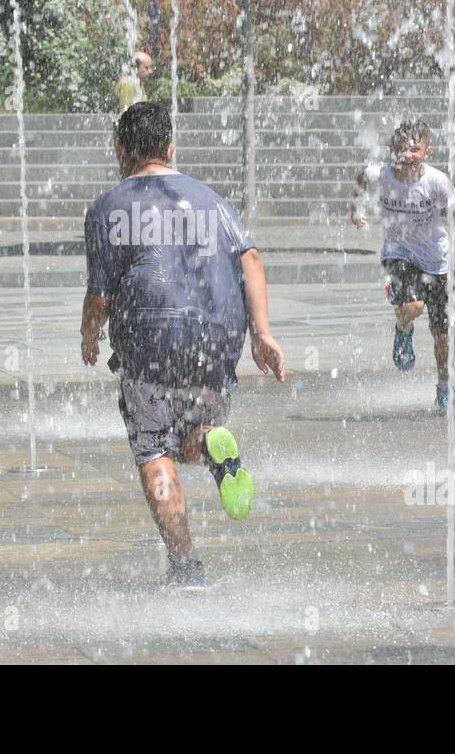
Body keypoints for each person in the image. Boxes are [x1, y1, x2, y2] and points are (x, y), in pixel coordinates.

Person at [80, 101, 285, 589]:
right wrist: (263, 334)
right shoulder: (213, 200)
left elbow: (100, 294)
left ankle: (185, 566)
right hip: (216, 338)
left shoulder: (108, 207)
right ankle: (213, 447)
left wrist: (90, 336)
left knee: (154, 451)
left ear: (120, 151)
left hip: (149, 342)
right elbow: (250, 259)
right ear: (172, 149)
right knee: (193, 435)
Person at [350, 120, 455, 415]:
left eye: (414, 149)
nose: (407, 154)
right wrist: (355, 209)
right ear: (391, 150)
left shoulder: (436, 182)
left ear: (427, 151)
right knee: (415, 304)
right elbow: (360, 180)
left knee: (442, 333)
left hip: (436, 260)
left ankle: (446, 389)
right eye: (401, 148)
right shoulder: (380, 175)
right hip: (398, 253)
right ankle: (403, 327)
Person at [113, 51, 154, 116]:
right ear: (135, 68)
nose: (150, 71)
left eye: (151, 67)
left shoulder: (138, 84)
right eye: (146, 68)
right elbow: (124, 114)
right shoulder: (127, 84)